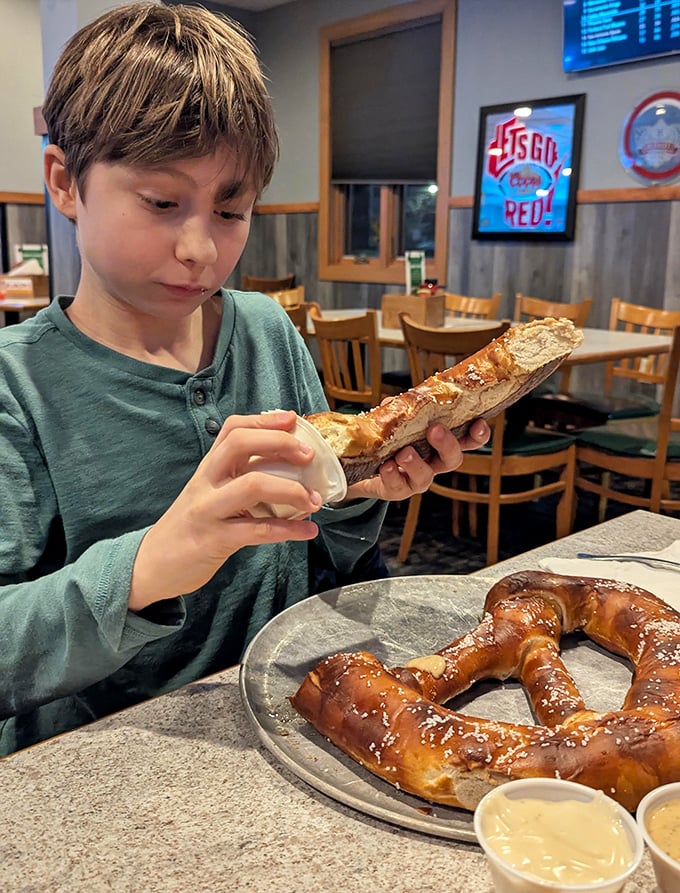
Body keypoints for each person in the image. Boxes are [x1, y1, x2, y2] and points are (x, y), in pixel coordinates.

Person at [0, 3, 489, 756]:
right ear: (65, 183)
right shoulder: (19, 385)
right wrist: (154, 560)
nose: (200, 247)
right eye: (163, 203)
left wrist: (358, 492)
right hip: (109, 756)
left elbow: (320, 554)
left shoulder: (265, 331)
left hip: (289, 720)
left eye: (231, 209)